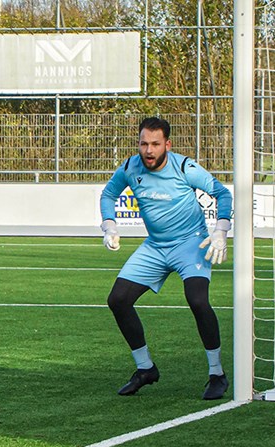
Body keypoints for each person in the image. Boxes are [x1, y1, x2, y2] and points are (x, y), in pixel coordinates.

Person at [99, 117, 233, 400]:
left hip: (190, 244)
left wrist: (221, 229)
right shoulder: (129, 167)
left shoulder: (185, 167)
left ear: (167, 145)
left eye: (155, 144)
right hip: (155, 247)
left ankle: (217, 374)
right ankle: (145, 368)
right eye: (143, 143)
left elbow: (221, 192)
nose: (148, 150)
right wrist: (109, 225)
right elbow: (108, 194)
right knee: (118, 300)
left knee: (197, 300)